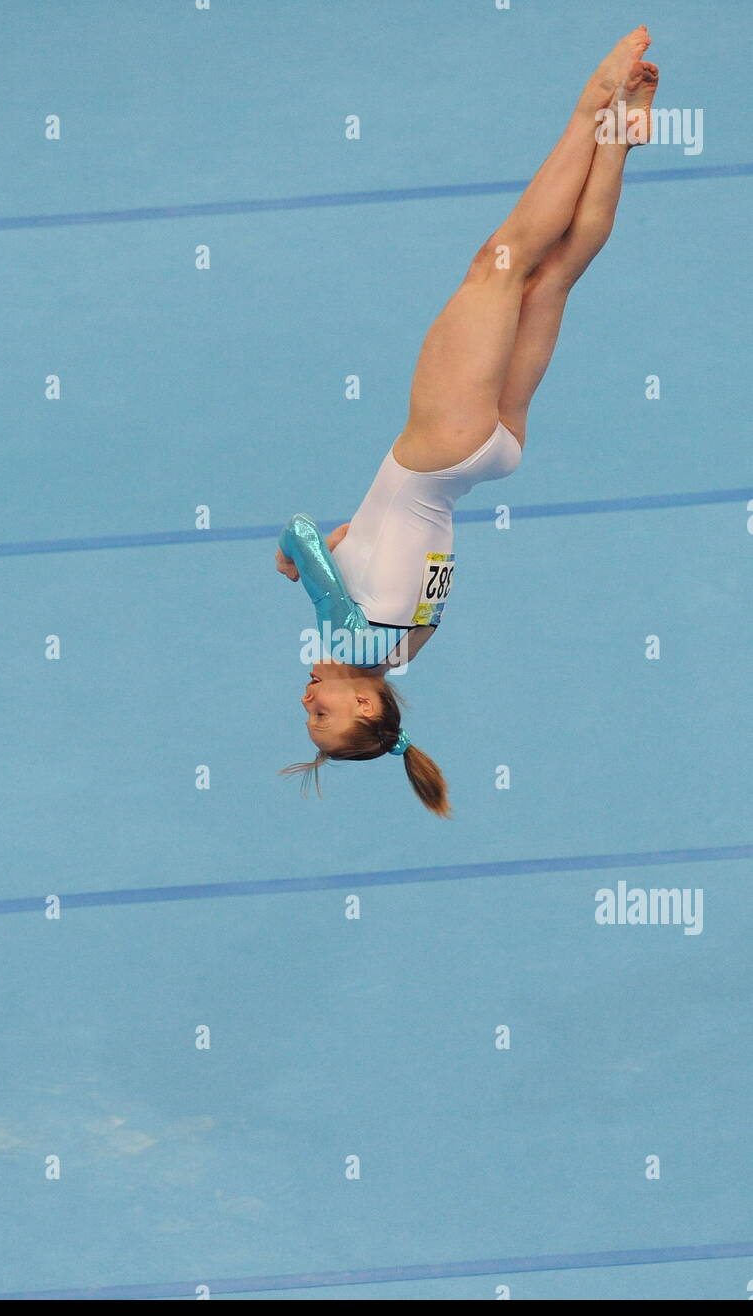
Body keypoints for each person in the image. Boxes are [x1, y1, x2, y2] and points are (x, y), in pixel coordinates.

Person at [276, 27, 659, 816]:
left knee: (556, 279)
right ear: (369, 708)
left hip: (485, 459)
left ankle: (624, 127)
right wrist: (302, 552)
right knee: (505, 260)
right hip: (437, 453)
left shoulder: (401, 651)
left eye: (308, 714)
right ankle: (594, 104)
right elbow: (300, 537)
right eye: (322, 715)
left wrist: (356, 540)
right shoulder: (348, 645)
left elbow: (420, 571)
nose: (306, 699)